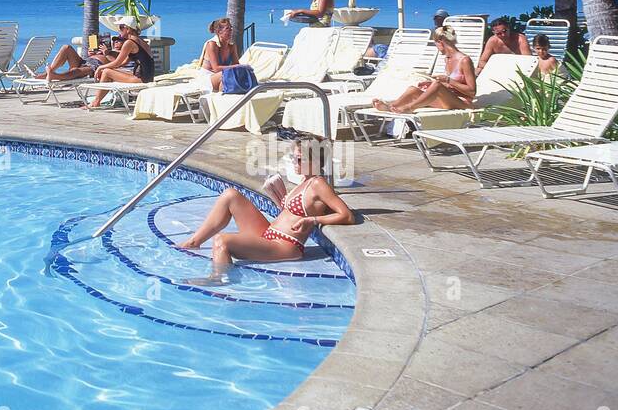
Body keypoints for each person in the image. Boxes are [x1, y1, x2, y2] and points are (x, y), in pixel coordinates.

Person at [175, 137, 353, 278]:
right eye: (293, 157)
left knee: (222, 241)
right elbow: (292, 213)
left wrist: (313, 220)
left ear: (313, 160)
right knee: (231, 195)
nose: (293, 162)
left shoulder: (318, 184)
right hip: (270, 235)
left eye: (298, 159)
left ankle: (220, 280)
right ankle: (194, 242)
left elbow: (346, 215)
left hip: (285, 245)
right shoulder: (304, 181)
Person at [378, 24, 476, 113]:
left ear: (440, 42)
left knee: (437, 85)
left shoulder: (464, 61)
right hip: (448, 100)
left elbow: (472, 91)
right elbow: (451, 86)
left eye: (436, 44)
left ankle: (410, 108)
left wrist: (447, 80)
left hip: (463, 103)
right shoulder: (447, 59)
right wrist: (430, 84)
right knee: (413, 89)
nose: (436, 47)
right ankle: (391, 106)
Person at [84, 21, 155, 110]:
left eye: (121, 28)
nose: (119, 30)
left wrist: (100, 67)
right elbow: (123, 63)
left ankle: (96, 102)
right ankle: (97, 100)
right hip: (147, 77)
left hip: (142, 79)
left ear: (128, 29)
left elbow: (118, 62)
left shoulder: (129, 43)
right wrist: (108, 62)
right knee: (107, 71)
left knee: (106, 71)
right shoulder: (140, 41)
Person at [42, 35, 117, 82]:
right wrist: (90, 54)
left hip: (95, 66)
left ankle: (54, 75)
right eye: (115, 41)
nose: (116, 43)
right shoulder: (109, 49)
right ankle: (50, 72)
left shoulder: (120, 52)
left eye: (119, 41)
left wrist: (107, 53)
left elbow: (116, 64)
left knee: (76, 70)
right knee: (66, 47)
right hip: (85, 61)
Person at [201, 17, 239, 92]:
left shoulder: (231, 46)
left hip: (222, 76)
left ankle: (222, 100)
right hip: (208, 77)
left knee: (230, 77)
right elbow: (216, 68)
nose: (231, 31)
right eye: (227, 29)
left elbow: (236, 64)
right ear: (219, 31)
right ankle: (222, 99)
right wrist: (236, 67)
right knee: (226, 76)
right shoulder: (212, 44)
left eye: (231, 28)